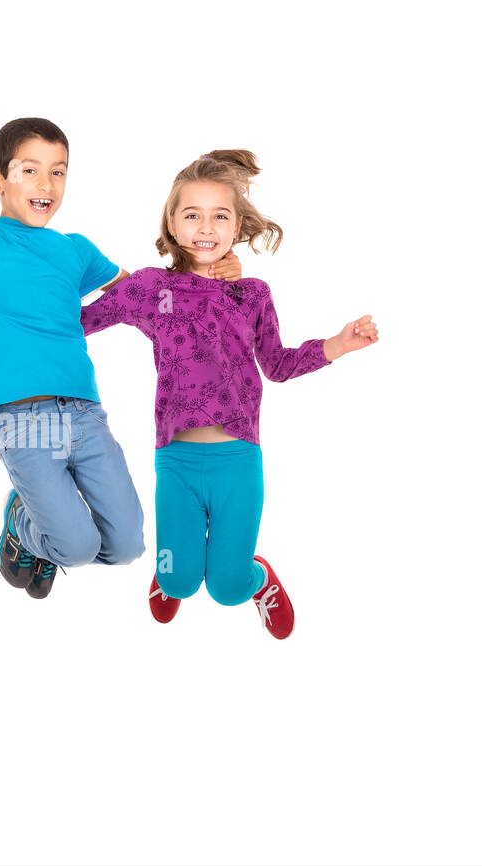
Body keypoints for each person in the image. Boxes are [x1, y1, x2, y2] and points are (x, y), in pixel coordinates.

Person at [0, 118, 239, 599]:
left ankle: (40, 525)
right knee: (74, 547)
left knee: (128, 547)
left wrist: (212, 276)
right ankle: (21, 523)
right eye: (29, 171)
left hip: (85, 414)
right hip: (22, 417)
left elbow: (149, 295)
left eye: (58, 172)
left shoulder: (75, 249)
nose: (46, 185)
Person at [80, 150, 378, 637]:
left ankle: (256, 576)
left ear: (237, 225)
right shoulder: (151, 288)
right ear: (172, 224)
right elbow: (79, 324)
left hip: (239, 460)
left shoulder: (251, 293)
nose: (205, 227)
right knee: (177, 583)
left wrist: (338, 345)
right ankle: (172, 572)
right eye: (191, 214)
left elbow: (277, 366)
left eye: (220, 216)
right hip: (175, 461)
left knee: (228, 589)